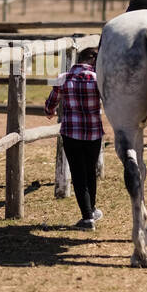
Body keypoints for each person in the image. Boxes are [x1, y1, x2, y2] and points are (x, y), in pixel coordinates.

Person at [45, 47, 104, 229]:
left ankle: (87, 217)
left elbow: (50, 105)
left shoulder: (63, 77)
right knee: (90, 172)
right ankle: (91, 210)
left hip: (71, 133)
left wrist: (51, 112)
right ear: (94, 61)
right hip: (93, 132)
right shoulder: (99, 79)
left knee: (78, 174)